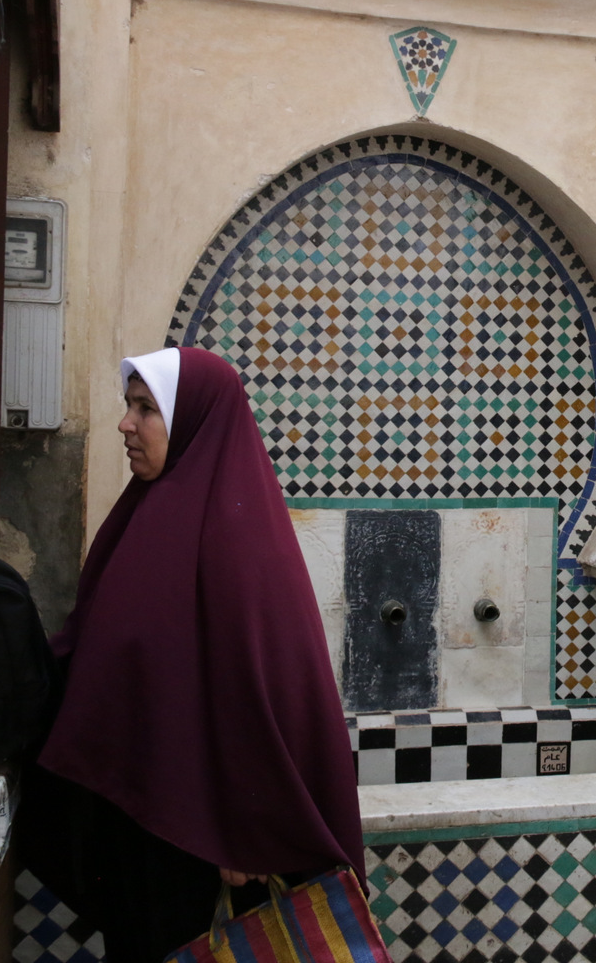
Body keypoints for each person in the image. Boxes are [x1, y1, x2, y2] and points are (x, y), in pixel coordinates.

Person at [18, 347, 364, 962]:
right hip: (144, 825)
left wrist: (248, 828)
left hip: (207, 846)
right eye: (129, 406)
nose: (126, 424)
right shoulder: (145, 515)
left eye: (146, 409)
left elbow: (260, 693)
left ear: (194, 421)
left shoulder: (239, 540)